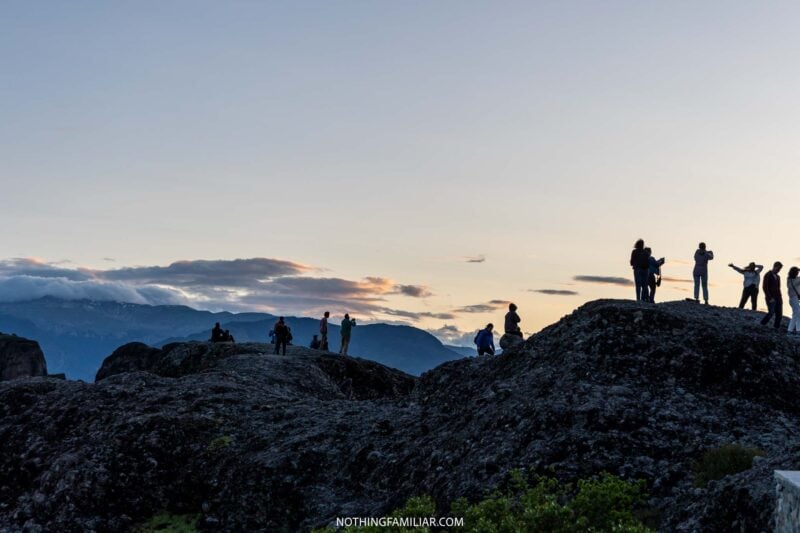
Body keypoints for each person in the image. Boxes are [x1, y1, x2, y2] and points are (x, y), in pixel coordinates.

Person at [761, 262, 783, 329]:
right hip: (771, 298)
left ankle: (776, 327)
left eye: (780, 269)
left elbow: (778, 288)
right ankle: (762, 324)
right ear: (774, 266)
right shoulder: (768, 275)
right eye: (778, 268)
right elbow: (765, 287)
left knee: (779, 314)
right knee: (771, 312)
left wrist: (780, 298)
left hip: (778, 298)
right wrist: (770, 297)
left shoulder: (778, 277)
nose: (779, 270)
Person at [788, 267, 800, 335]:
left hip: (792, 299)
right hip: (794, 298)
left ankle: (798, 330)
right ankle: (789, 330)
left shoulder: (789, 279)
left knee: (798, 314)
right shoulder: (797, 279)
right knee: (796, 314)